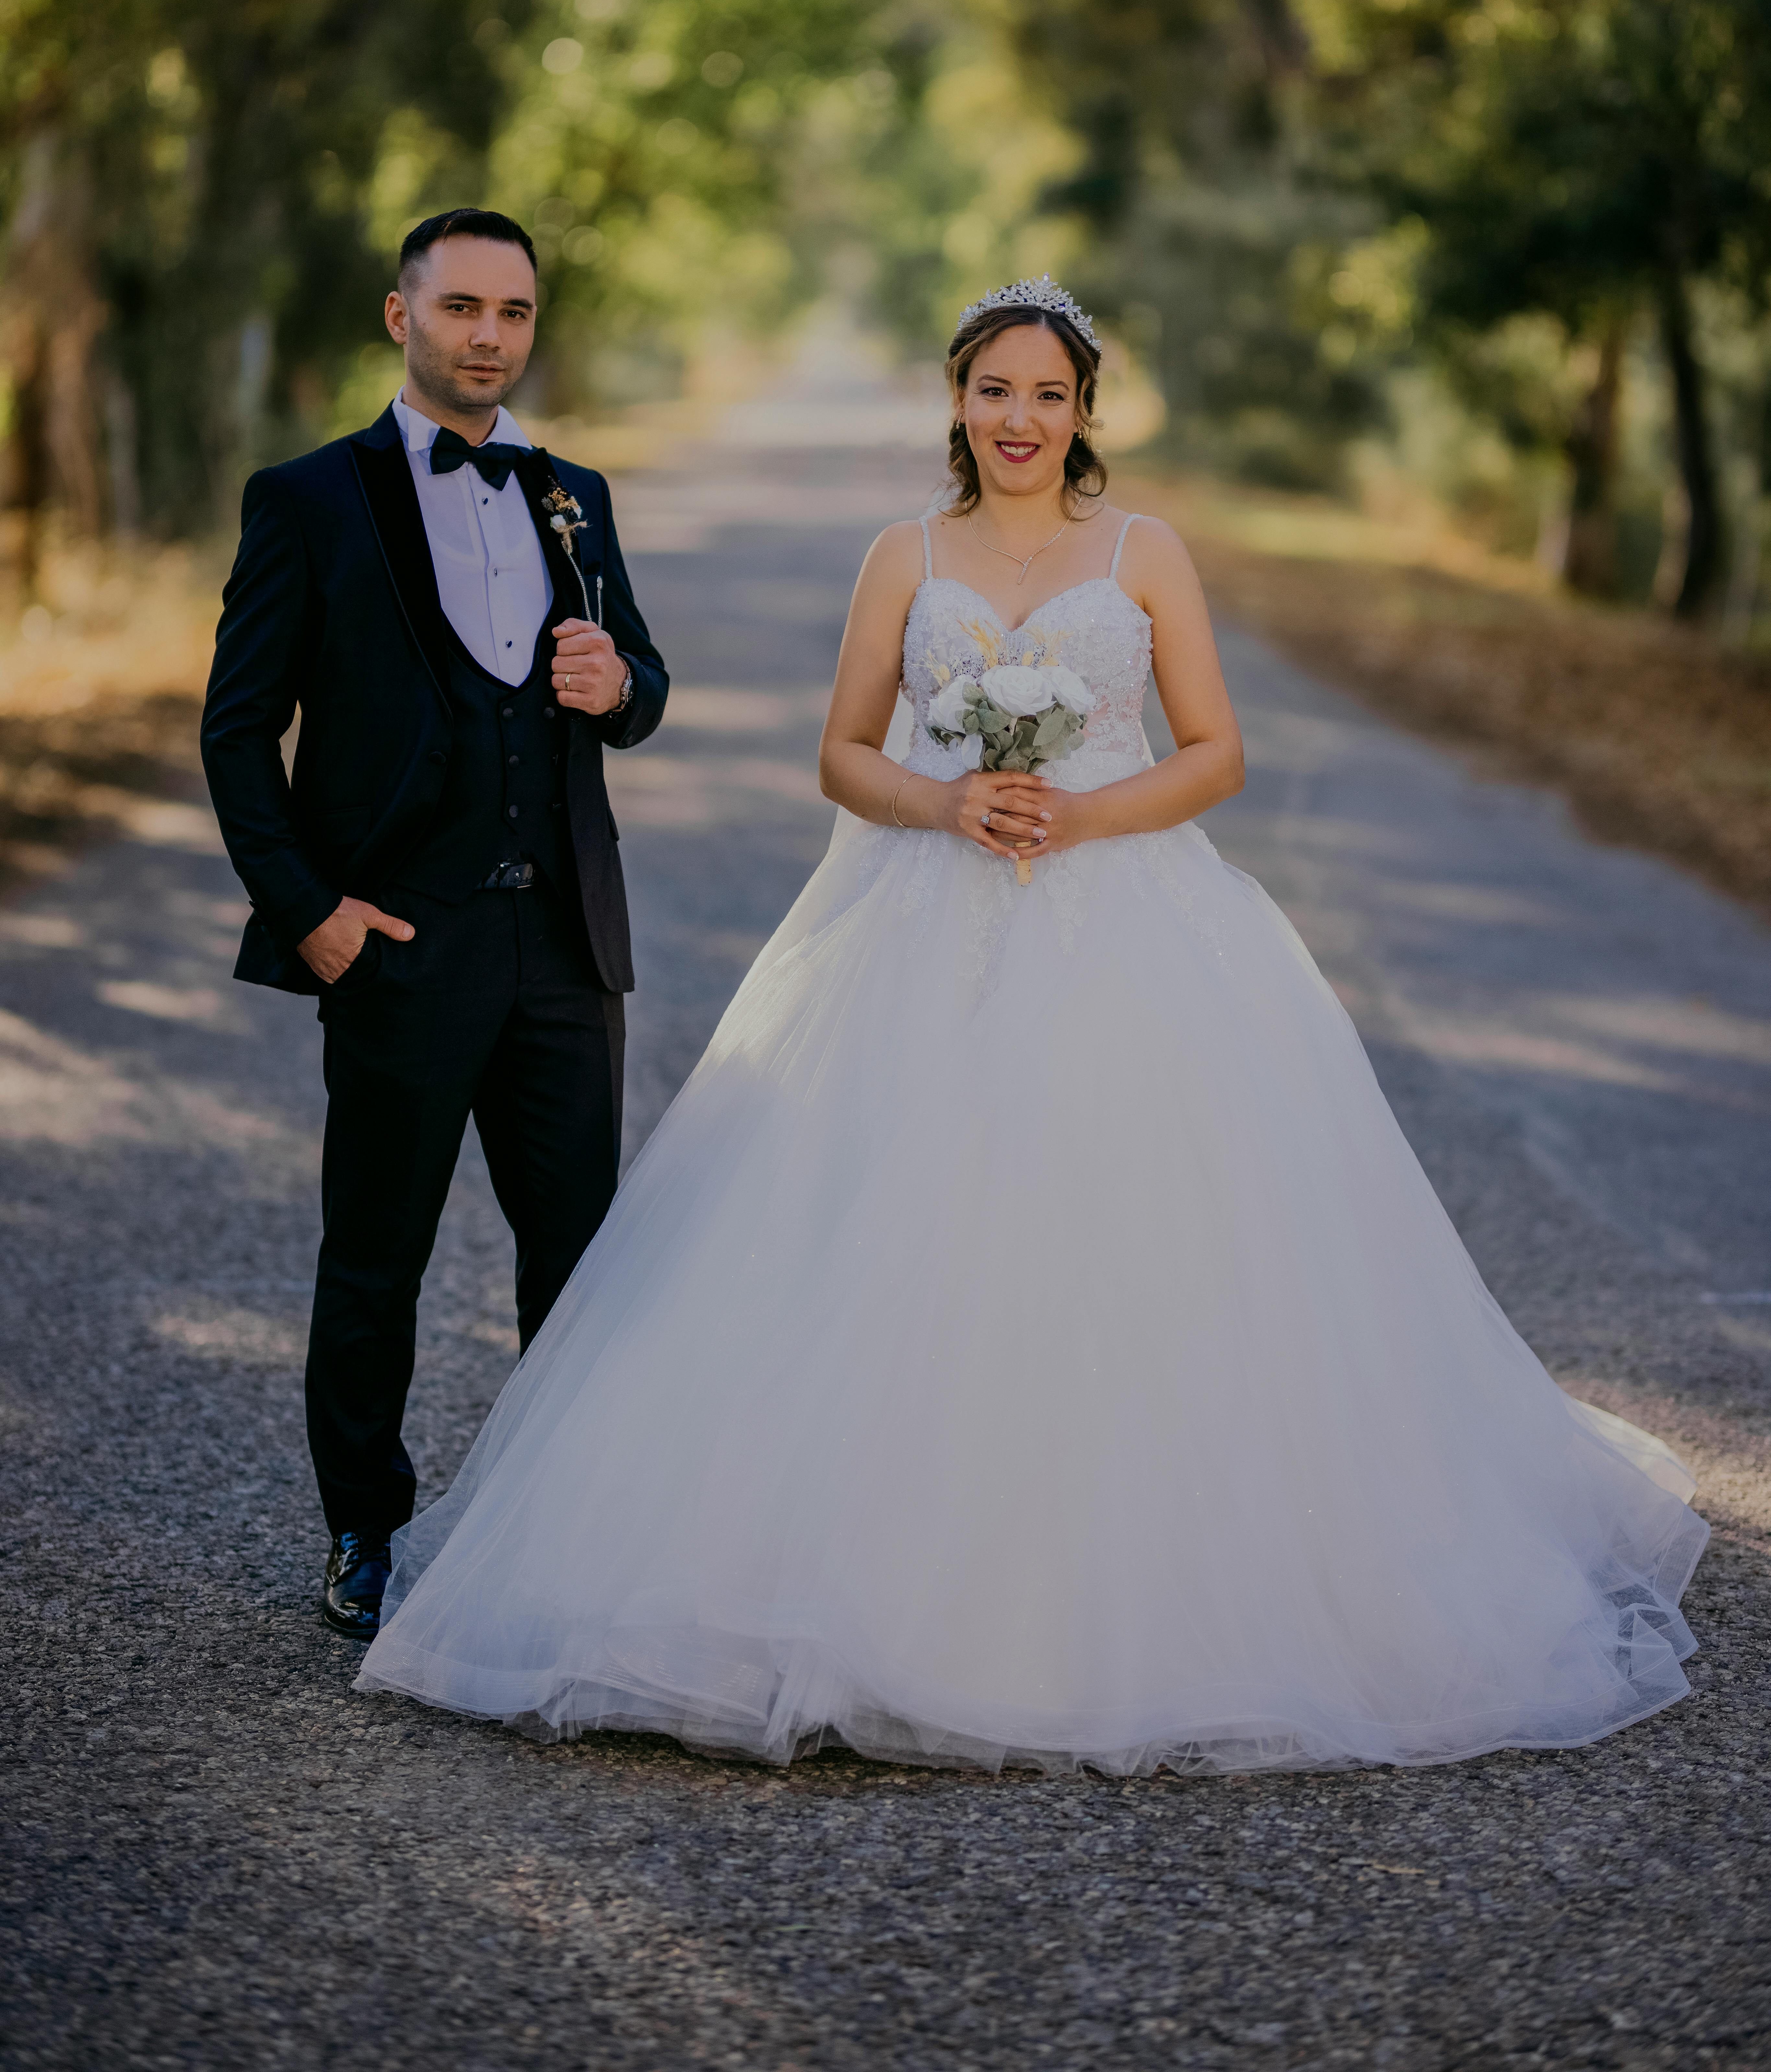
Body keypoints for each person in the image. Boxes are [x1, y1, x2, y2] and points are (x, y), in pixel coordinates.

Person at [357, 275, 1705, 1774]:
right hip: (918, 916)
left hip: (1123, 911)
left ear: (1083, 411)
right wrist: (945, 797)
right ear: (956, 400)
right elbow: (841, 753)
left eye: (1048, 395)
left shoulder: (1142, 552)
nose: (1019, 419)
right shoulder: (901, 554)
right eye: (994, 390)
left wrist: (1077, 815)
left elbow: (1215, 752)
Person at [201, 207, 667, 1642]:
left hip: (563, 948)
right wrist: (311, 912)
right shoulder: (309, 497)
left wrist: (619, 686)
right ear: (401, 317)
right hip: (400, 942)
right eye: (461, 305)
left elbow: (642, 684)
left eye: (514, 312)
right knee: (376, 1256)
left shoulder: (573, 489)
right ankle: (363, 1529)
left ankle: (566, 1530)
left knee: (581, 1261)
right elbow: (236, 730)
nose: (489, 334)